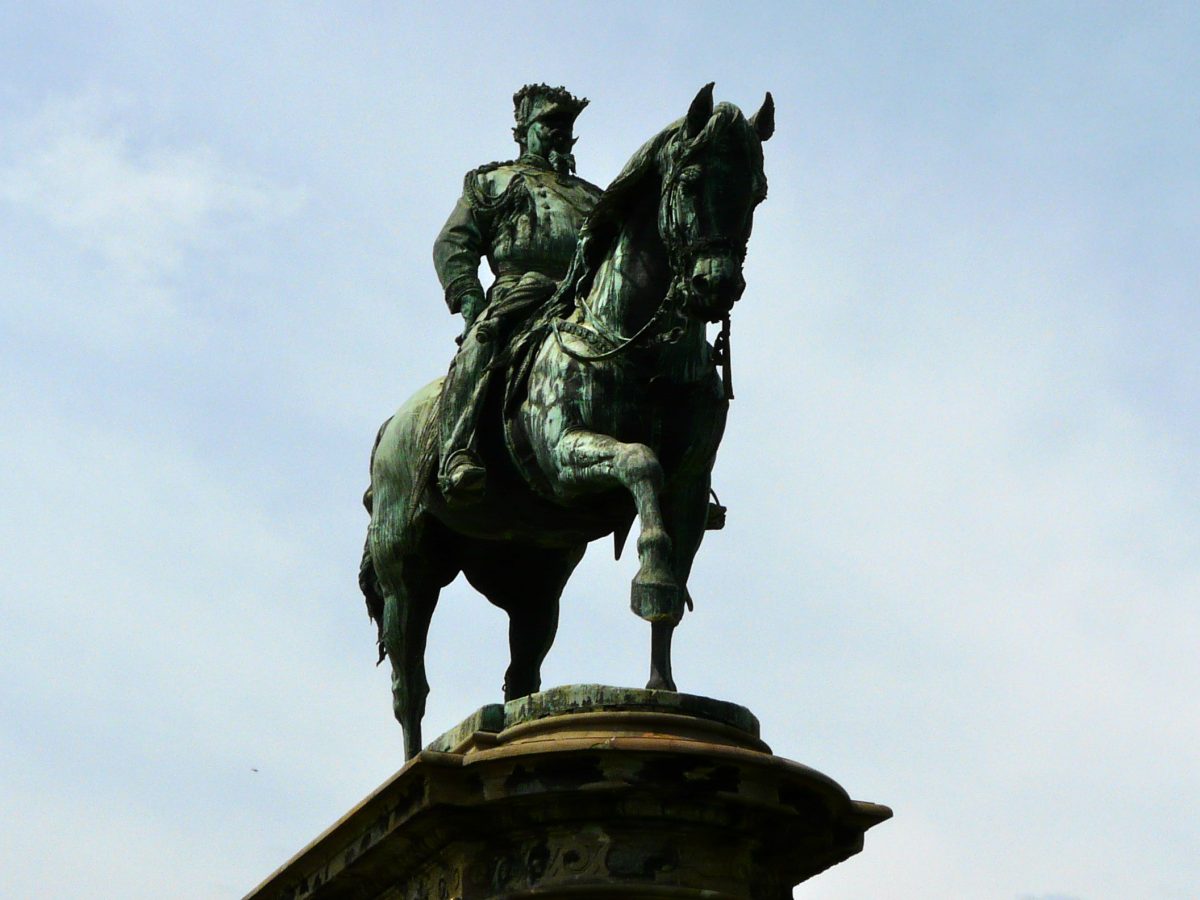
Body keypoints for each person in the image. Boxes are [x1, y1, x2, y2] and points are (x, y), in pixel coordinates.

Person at [433, 84, 602, 505]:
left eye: (565, 126)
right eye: (549, 123)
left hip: (582, 302)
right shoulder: (493, 181)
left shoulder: (593, 197)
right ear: (524, 130)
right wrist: (469, 296)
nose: (559, 133)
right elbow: (453, 243)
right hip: (517, 293)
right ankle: (456, 452)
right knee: (482, 343)